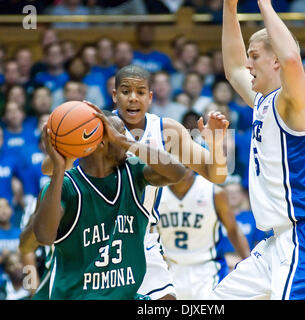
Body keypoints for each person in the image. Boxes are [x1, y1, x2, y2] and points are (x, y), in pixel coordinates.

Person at [42, 64, 229, 300]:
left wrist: (215, 145)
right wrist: (64, 142)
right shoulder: (95, 124)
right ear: (114, 95)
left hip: (142, 238)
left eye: (140, 92)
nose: (133, 98)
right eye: (125, 91)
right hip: (96, 237)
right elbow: (49, 168)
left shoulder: (167, 130)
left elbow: (217, 175)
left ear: (150, 97)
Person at [211, 0, 305, 300]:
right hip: (276, 243)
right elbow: (232, 69)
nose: (248, 64)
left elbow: (293, 60)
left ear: (275, 62)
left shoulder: (295, 102)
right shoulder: (262, 101)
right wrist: (230, 9)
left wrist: (264, 4)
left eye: (254, 56)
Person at [33, 110, 186, 300]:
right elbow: (43, 237)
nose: (125, 138)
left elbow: (178, 173)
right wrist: (58, 169)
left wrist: (127, 143)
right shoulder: (66, 186)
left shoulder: (133, 171)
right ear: (102, 142)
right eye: (120, 133)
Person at [157, 168, 250, 299]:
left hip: (207, 270)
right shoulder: (157, 191)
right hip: (169, 269)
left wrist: (249, 264)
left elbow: (233, 230)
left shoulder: (214, 192)